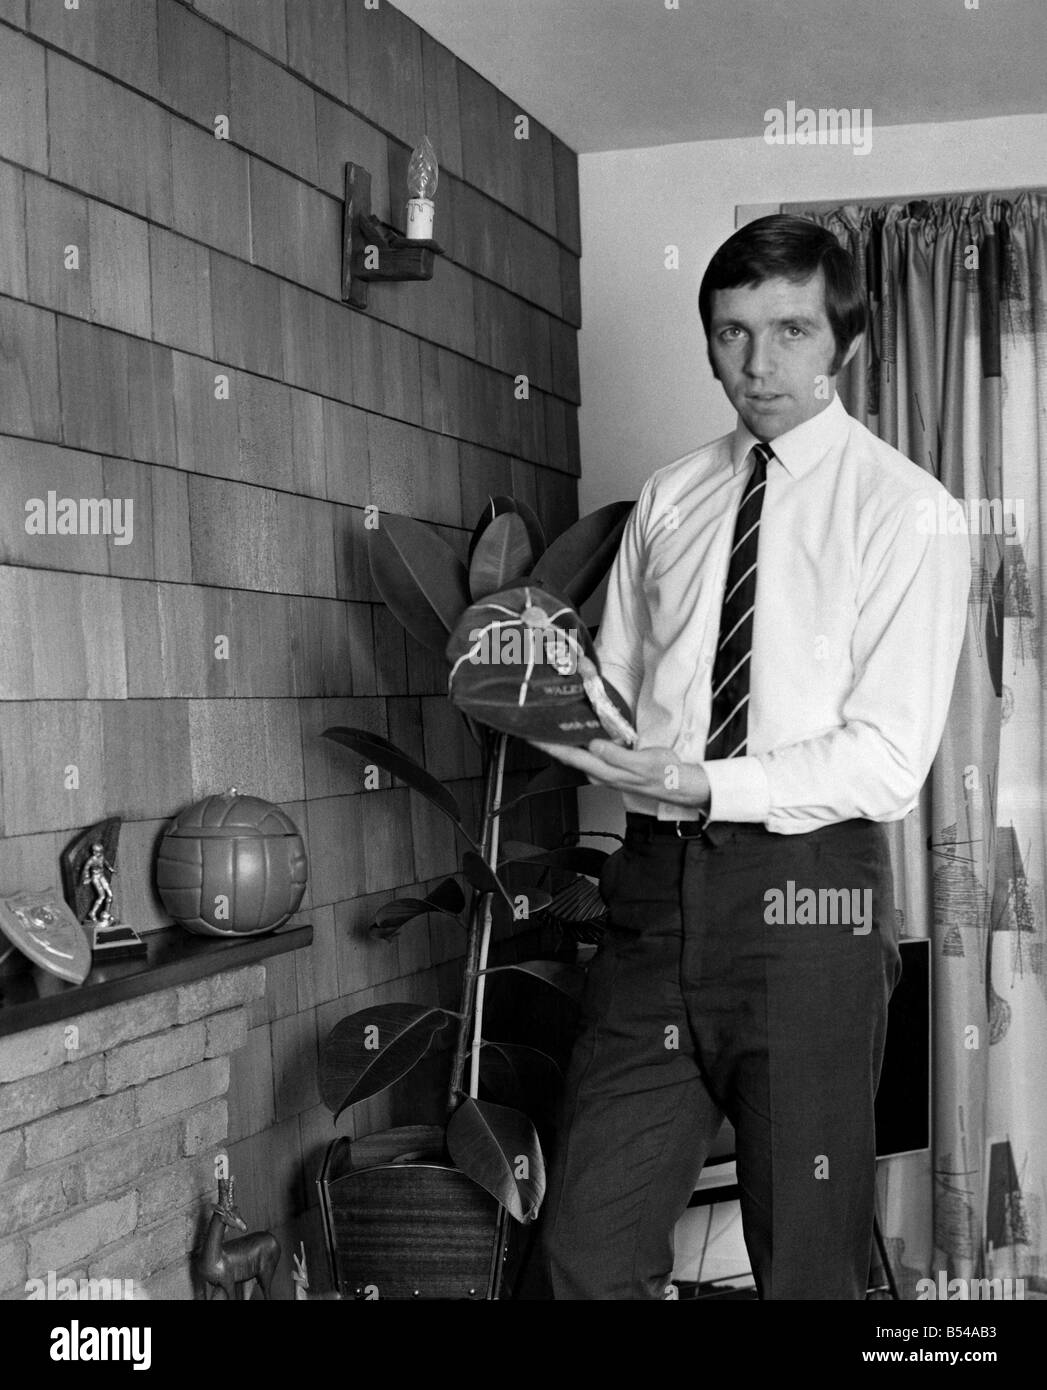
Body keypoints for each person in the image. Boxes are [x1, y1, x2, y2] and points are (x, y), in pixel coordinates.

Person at [529, 215, 971, 1300]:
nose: (758, 364)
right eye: (732, 333)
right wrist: (549, 695)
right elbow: (625, 697)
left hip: (807, 898)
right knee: (585, 1248)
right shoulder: (673, 498)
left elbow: (887, 758)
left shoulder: (908, 512)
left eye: (789, 330)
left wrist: (708, 781)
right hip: (652, 898)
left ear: (844, 345)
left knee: (805, 1266)